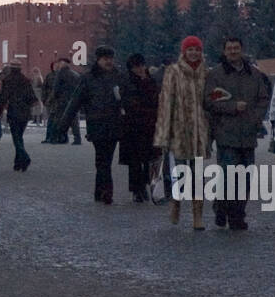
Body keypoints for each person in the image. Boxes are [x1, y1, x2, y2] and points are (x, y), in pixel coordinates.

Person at [203, 37, 270, 230]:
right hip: (226, 133)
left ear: (242, 50)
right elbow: (209, 101)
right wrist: (232, 107)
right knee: (228, 176)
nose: (233, 51)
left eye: (236, 48)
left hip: (248, 134)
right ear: (224, 51)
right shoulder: (216, 75)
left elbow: (263, 99)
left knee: (246, 178)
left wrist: (255, 118)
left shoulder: (254, 74)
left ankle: (236, 212)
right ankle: (228, 211)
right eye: (229, 48)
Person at [56, 46, 125, 203]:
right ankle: (106, 192)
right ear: (98, 59)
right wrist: (63, 125)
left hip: (114, 124)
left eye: (110, 58)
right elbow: (75, 102)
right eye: (105, 58)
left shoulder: (118, 77)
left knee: (105, 160)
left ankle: (100, 192)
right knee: (102, 159)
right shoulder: (88, 79)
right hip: (97, 124)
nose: (108, 61)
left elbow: (126, 99)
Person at [155, 36, 210, 229]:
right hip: (179, 131)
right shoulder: (173, 72)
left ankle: (197, 214)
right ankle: (176, 204)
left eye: (197, 49)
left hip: (200, 132)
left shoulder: (206, 73)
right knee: (180, 173)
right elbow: (165, 103)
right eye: (190, 49)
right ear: (184, 51)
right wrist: (163, 133)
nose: (194, 53)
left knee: (198, 175)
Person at [120, 53, 160, 202]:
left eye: (142, 65)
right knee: (135, 161)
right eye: (136, 66)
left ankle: (148, 185)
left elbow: (155, 99)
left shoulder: (151, 80)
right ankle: (137, 189)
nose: (140, 69)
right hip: (133, 127)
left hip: (150, 126)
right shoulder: (127, 82)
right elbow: (129, 102)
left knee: (150, 160)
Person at [0, 62, 36, 172]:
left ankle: (25, 158)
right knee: (19, 136)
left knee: (16, 138)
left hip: (13, 111)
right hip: (25, 111)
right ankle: (18, 163)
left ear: (11, 68)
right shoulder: (25, 80)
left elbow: (4, 97)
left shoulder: (7, 80)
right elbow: (32, 97)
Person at [47, 58, 82, 144]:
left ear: (63, 64)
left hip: (62, 100)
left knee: (58, 119)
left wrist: (51, 99)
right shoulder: (76, 74)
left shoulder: (60, 74)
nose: (58, 65)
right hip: (74, 100)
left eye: (59, 63)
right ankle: (77, 139)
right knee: (74, 121)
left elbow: (56, 88)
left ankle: (55, 138)